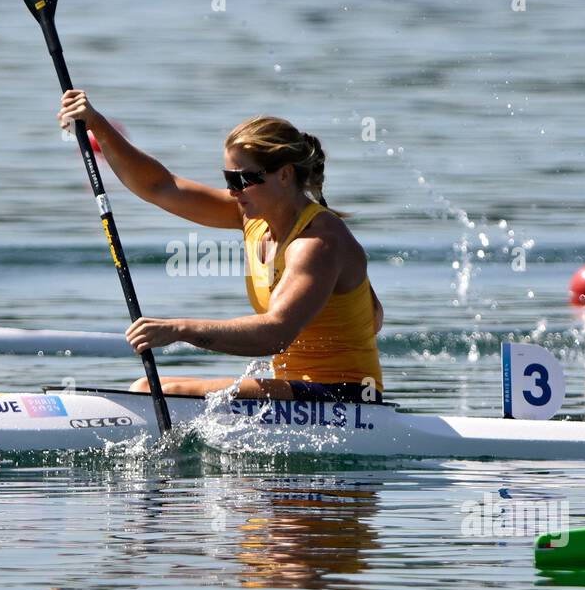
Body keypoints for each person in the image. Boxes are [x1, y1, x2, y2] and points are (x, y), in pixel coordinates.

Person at [57, 89, 384, 402]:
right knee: (147, 386)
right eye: (229, 179)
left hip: (346, 398)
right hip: (297, 390)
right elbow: (160, 186)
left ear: (285, 175)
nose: (233, 191)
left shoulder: (317, 242)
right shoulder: (256, 218)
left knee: (155, 391)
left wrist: (180, 329)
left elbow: (276, 333)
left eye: (243, 179)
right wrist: (97, 124)